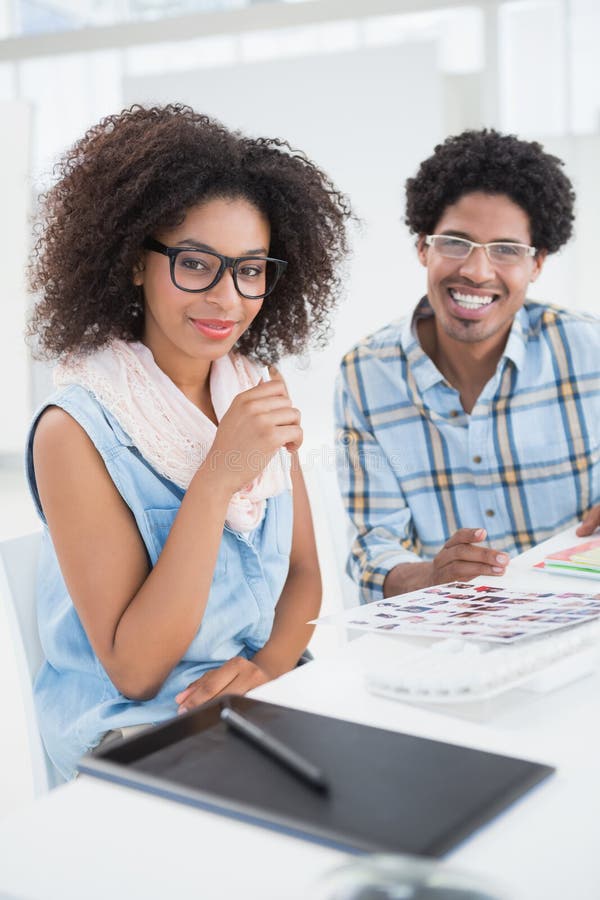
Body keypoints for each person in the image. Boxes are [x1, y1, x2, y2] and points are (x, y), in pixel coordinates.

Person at [27, 103, 350, 779]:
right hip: (137, 734)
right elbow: (138, 670)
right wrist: (218, 476)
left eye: (251, 269)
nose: (227, 300)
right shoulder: (75, 430)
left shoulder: (253, 387)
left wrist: (266, 669)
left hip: (264, 699)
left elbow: (304, 577)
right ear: (135, 262)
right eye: (196, 263)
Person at [335, 129, 599, 603]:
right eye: (455, 242)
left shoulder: (588, 350)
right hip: (452, 641)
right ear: (423, 248)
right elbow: (374, 551)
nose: (477, 272)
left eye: (506, 249)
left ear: (536, 263)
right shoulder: (366, 376)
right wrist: (430, 575)